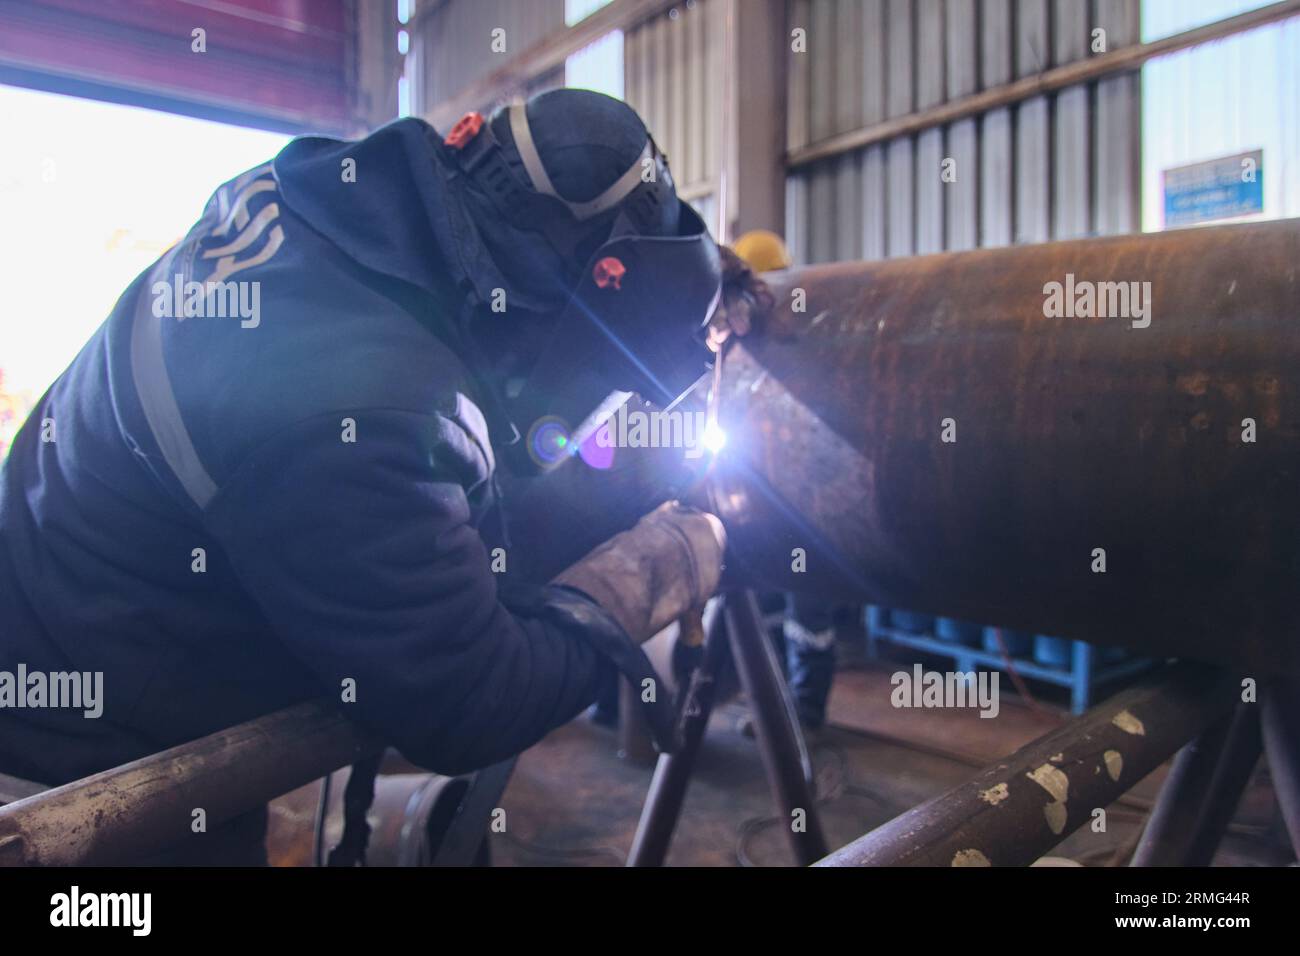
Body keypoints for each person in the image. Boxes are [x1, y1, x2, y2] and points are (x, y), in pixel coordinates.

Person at [0, 89, 764, 862]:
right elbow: (469, 700)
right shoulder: (353, 409)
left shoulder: (337, 212)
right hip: (73, 791)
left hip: (88, 646)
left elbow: (461, 497)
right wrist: (660, 567)